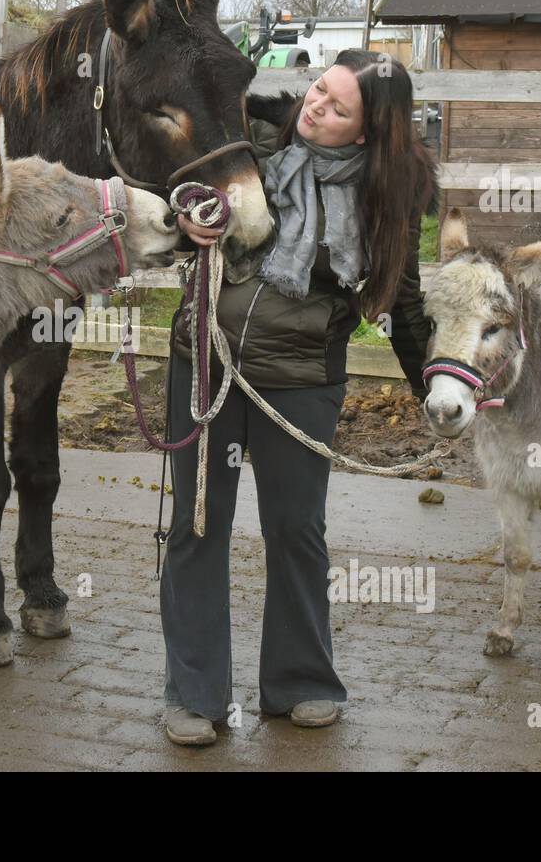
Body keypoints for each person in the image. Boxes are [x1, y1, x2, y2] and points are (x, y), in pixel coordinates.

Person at [160, 49, 438, 746]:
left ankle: (301, 683)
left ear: (369, 133)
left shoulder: (385, 201)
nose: (316, 107)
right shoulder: (248, 142)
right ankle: (195, 695)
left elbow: (405, 307)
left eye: (338, 108)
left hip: (301, 381)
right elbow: (170, 182)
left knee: (296, 533)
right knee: (198, 526)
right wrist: (183, 220)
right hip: (206, 363)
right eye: (319, 91)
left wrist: (433, 388)